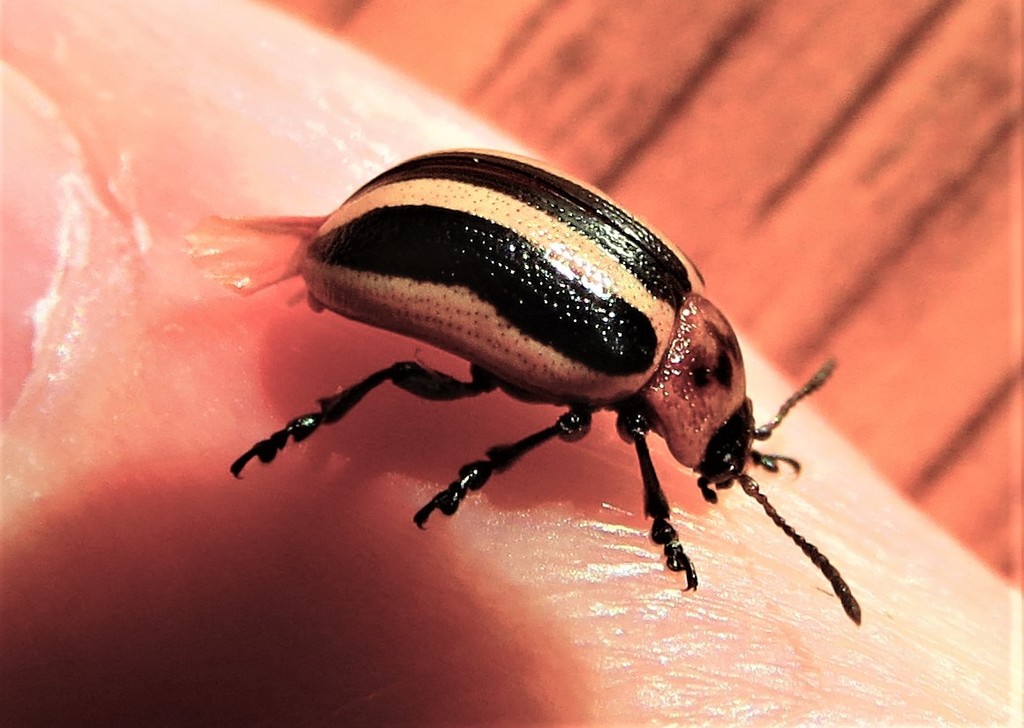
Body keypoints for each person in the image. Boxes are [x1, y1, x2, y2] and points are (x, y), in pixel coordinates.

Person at [1, 1, 1016, 724]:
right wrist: (598, 500)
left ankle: (322, 422)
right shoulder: (624, 353)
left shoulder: (668, 295)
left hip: (411, 204)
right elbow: (574, 414)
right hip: (386, 239)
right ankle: (319, 419)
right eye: (722, 450)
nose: (720, 456)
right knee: (423, 381)